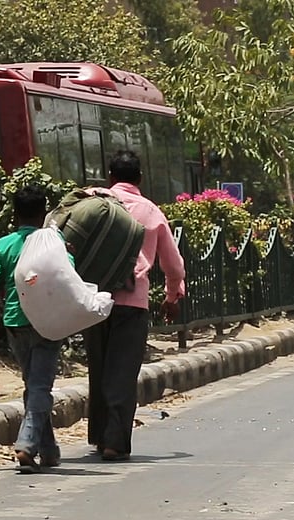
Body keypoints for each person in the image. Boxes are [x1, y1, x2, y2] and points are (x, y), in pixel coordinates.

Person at [85, 150, 185, 462]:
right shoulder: (151, 212)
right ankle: (115, 441)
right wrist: (172, 297)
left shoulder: (90, 201)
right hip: (132, 302)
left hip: (91, 300)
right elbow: (174, 266)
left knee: (99, 369)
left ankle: (99, 437)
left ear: (109, 176)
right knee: (122, 373)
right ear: (139, 179)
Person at [0, 185, 64, 473]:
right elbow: (67, 272)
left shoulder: (4, 245)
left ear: (15, 214)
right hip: (46, 322)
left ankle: (48, 450)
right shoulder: (52, 242)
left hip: (15, 323)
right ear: (44, 212)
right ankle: (26, 445)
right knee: (40, 385)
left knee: (33, 384)